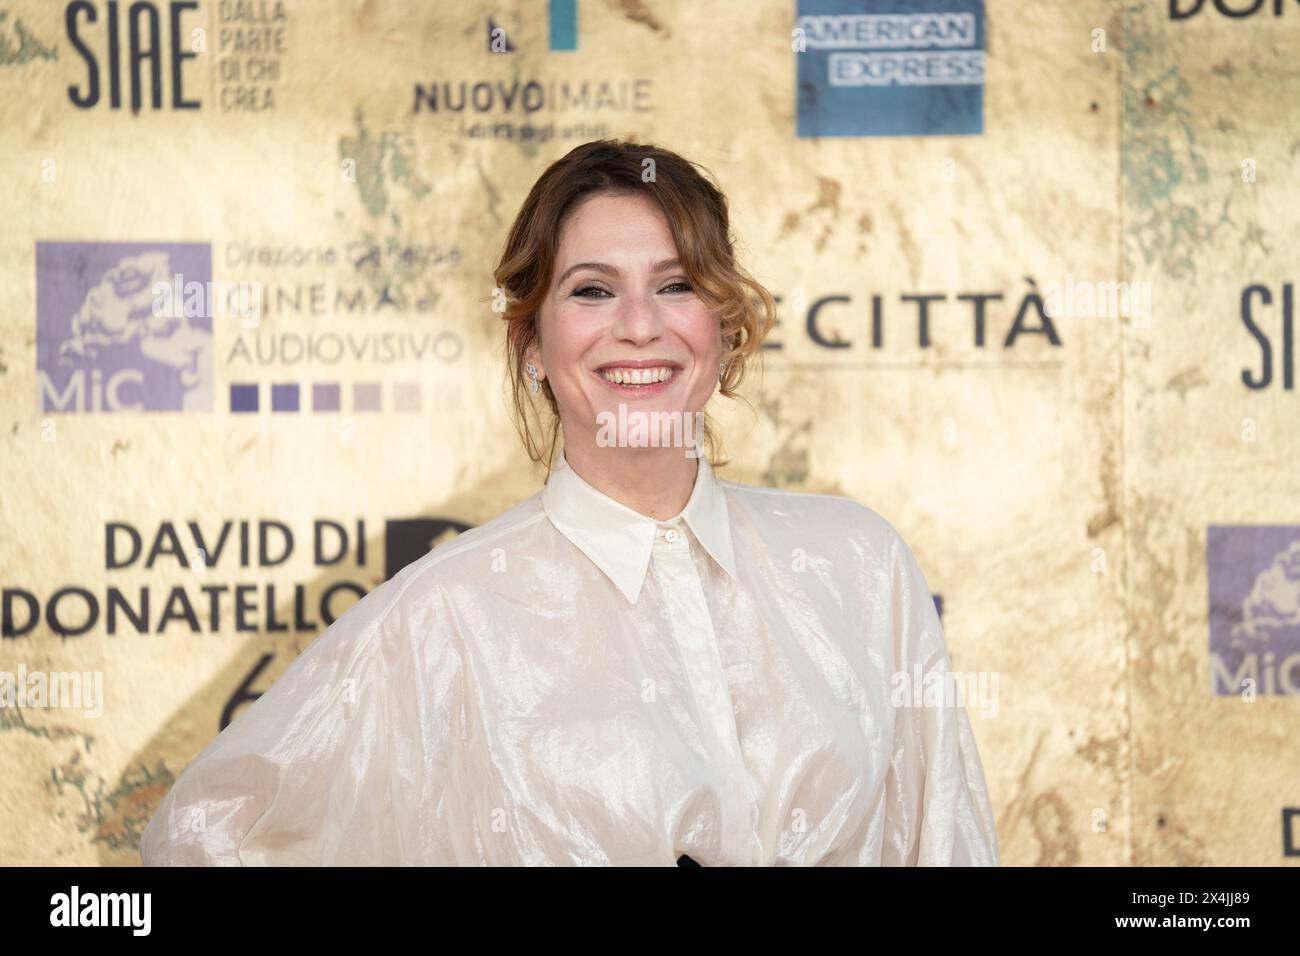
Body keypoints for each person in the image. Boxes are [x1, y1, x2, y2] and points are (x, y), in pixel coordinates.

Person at [139, 139, 1000, 866]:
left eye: (676, 284)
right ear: (532, 346)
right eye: (592, 289)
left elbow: (944, 836)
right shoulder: (446, 615)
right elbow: (205, 837)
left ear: (723, 324)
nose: (638, 324)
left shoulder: (858, 565)